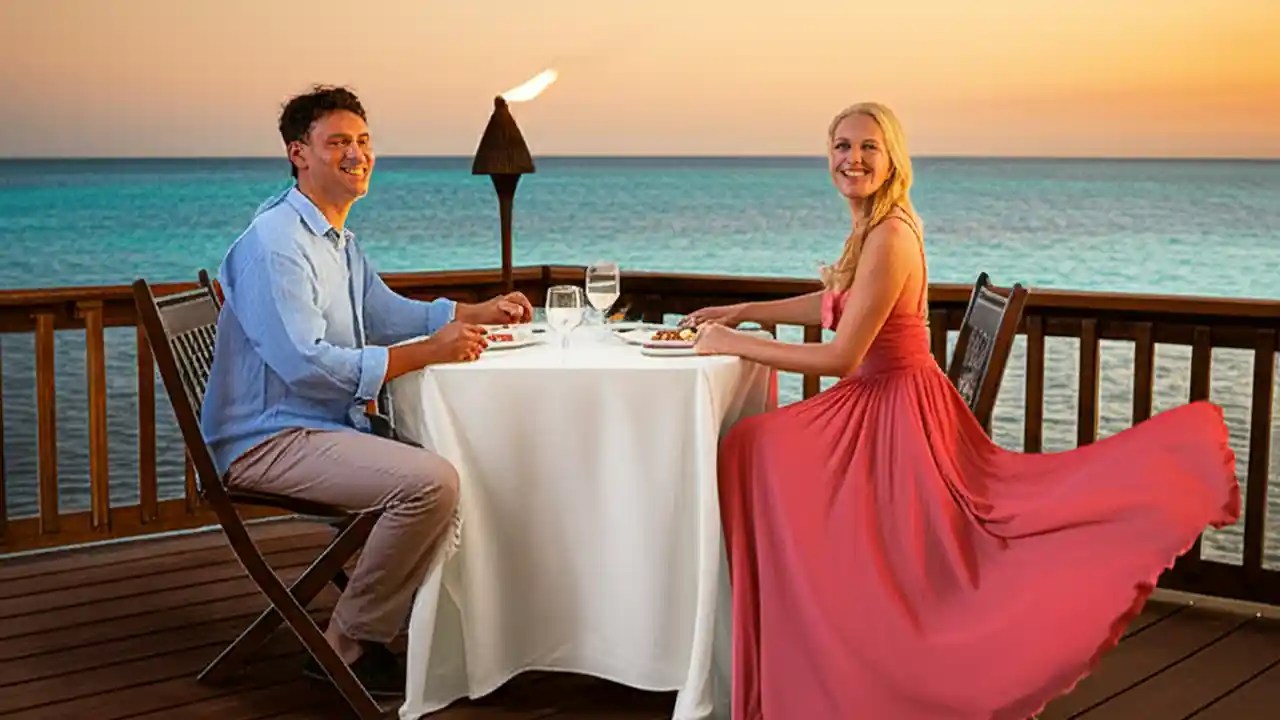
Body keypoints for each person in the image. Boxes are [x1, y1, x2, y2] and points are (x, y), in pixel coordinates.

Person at [684, 102, 1241, 719]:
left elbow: (842, 357)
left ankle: (819, 639)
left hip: (892, 412)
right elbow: (834, 302)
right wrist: (742, 312)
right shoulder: (870, 226)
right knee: (751, 446)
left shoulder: (892, 235)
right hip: (880, 398)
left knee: (749, 448)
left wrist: (732, 344)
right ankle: (795, 634)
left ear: (892, 157)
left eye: (869, 147)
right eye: (842, 146)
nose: (854, 159)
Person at [201, 85, 534, 695]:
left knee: (466, 463)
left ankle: (467, 629)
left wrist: (474, 311)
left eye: (362, 142)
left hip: (322, 425)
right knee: (431, 482)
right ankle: (348, 645)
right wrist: (425, 354)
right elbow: (304, 365)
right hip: (269, 439)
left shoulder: (334, 238)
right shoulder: (277, 244)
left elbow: (381, 311)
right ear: (299, 153)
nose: (356, 155)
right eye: (338, 143)